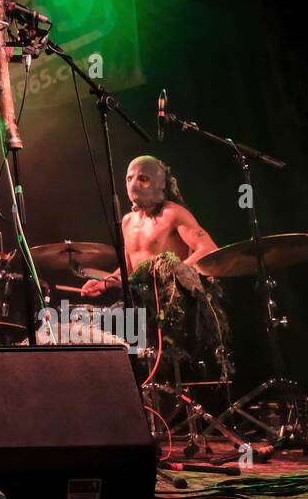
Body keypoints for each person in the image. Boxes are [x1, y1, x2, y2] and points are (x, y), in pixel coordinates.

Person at [81, 155, 231, 381]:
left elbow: (208, 249)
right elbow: (129, 268)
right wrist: (104, 283)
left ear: (160, 185)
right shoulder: (128, 221)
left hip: (169, 305)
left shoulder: (172, 213)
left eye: (143, 179)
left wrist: (176, 271)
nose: (134, 184)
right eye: (129, 178)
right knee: (96, 329)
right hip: (138, 302)